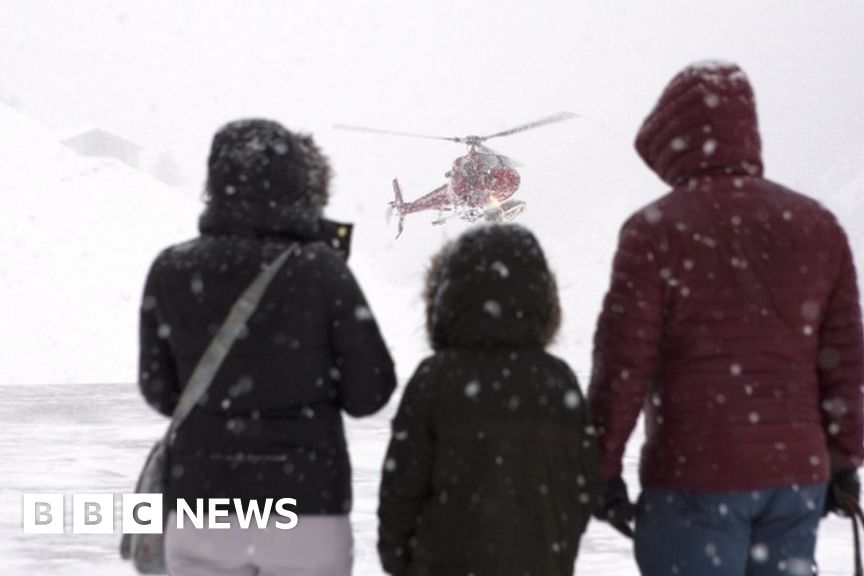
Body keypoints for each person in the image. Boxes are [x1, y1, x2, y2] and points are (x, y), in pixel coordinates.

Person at [588, 62, 864, 576]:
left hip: (693, 478)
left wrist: (601, 468)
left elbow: (622, 366)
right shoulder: (818, 226)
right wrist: (844, 459)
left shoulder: (654, 232)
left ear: (674, 141)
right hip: (796, 480)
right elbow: (843, 360)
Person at [138, 119, 397, 575]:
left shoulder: (172, 269)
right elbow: (370, 393)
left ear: (214, 181)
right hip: (307, 508)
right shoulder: (322, 270)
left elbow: (159, 392)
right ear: (298, 183)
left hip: (204, 504)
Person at [377, 224, 599, 576]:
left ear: (445, 296)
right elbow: (581, 490)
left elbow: (400, 495)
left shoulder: (434, 380)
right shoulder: (557, 381)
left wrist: (403, 562)